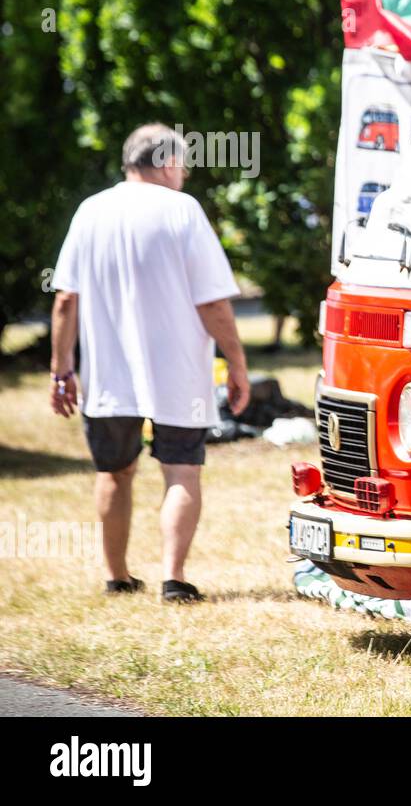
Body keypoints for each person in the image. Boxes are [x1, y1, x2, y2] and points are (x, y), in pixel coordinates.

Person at [48, 123, 250, 603]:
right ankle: (173, 579)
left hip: (107, 377)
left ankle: (117, 576)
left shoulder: (90, 211)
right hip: (178, 372)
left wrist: (62, 370)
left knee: (113, 472)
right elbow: (213, 304)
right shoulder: (182, 211)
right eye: (182, 164)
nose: (183, 175)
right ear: (165, 163)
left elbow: (64, 301)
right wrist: (237, 362)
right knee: (181, 470)